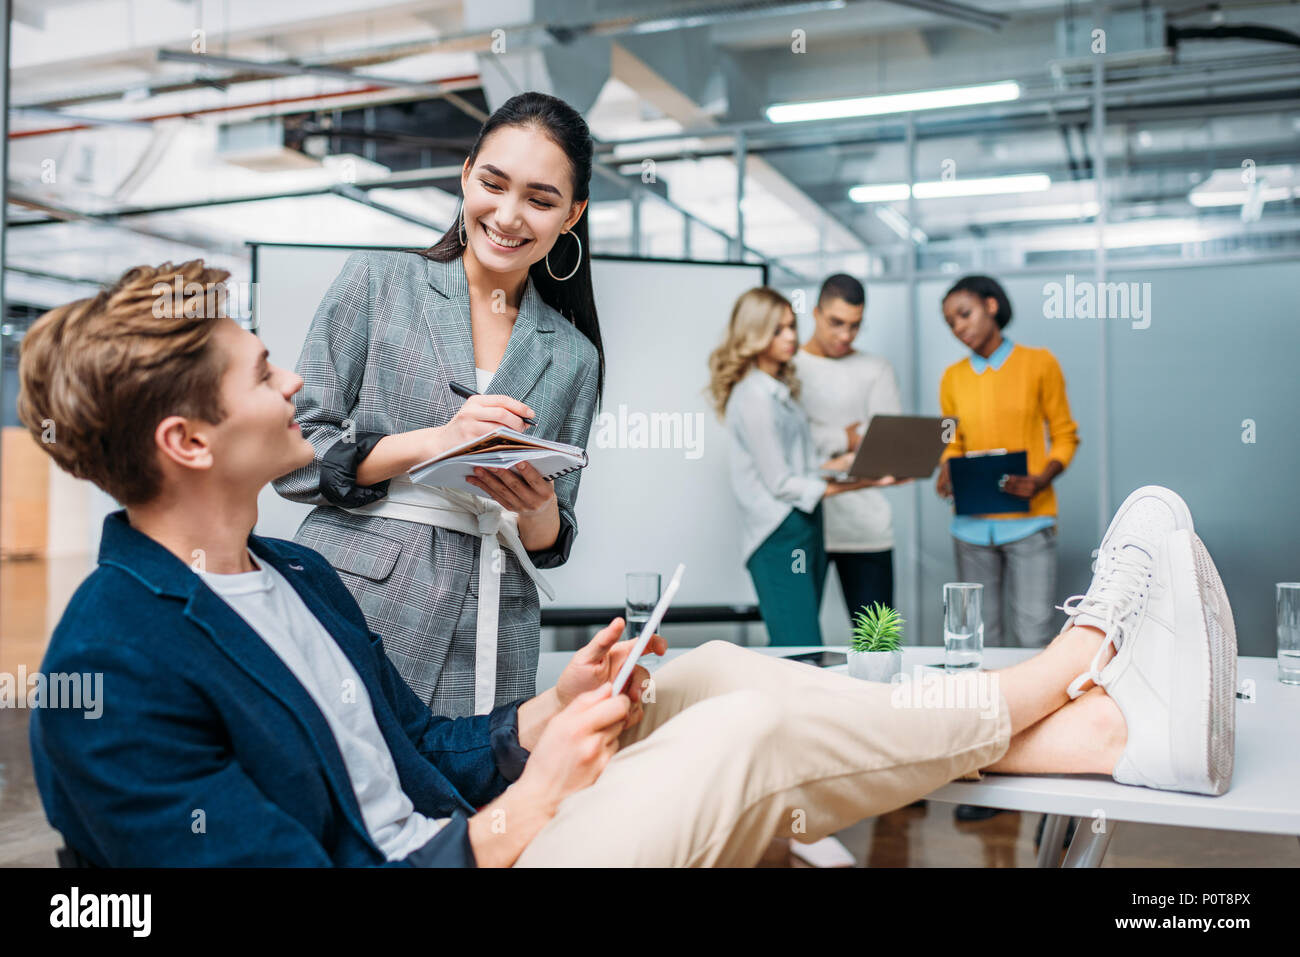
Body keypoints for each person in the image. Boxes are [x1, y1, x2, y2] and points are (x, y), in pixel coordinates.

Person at [19, 260, 1237, 867]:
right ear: (187, 441)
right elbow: (779, 483)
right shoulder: (115, 665)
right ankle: (1074, 682)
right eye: (264, 374)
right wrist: (536, 801)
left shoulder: (296, 578)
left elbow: (419, 753)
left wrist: (547, 712)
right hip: (795, 544)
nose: (295, 383)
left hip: (885, 526)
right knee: (756, 721)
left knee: (709, 675)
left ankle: (1094, 735)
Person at [272, 92, 603, 719]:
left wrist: (537, 515)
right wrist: (434, 442)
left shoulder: (573, 355)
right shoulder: (377, 283)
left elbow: (555, 533)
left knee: (475, 796)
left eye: (539, 199)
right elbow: (295, 457)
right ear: (465, 173)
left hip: (496, 617)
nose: (508, 216)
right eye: (493, 184)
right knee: (344, 785)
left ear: (571, 213)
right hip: (360, 596)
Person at [708, 287, 895, 646]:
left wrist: (856, 467)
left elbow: (807, 466)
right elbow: (782, 483)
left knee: (805, 643)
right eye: (778, 330)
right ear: (754, 333)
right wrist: (860, 484)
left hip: (805, 526)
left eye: (792, 326)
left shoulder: (781, 391)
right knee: (800, 647)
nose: (791, 337)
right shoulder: (754, 396)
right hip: (780, 534)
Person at [936, 275, 1080, 650]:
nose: (958, 327)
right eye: (951, 322)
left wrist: (1041, 479)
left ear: (991, 306)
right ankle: (982, 710)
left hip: (1029, 521)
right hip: (970, 527)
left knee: (1033, 632)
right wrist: (946, 467)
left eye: (964, 314)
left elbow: (1065, 434)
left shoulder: (1039, 363)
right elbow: (951, 440)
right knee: (976, 637)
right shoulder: (952, 378)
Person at [792, 273, 904, 616]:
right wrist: (844, 437)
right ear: (815, 313)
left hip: (866, 529)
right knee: (798, 645)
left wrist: (817, 440)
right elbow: (787, 444)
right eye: (836, 323)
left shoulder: (876, 368)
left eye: (855, 326)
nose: (845, 335)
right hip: (802, 527)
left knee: (878, 645)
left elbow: (885, 447)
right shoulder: (788, 366)